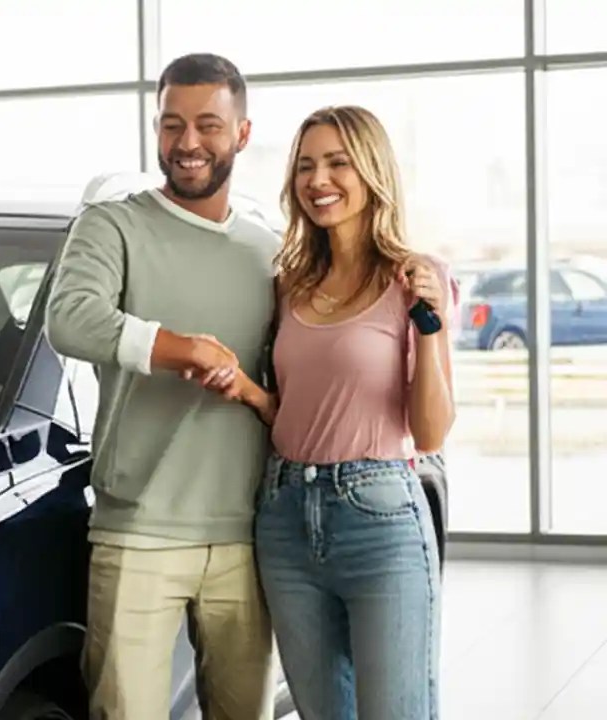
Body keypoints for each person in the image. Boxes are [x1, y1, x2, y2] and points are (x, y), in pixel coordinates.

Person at [46, 53, 279, 720]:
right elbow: (72, 320)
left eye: (208, 124)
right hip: (137, 530)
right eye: (171, 124)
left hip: (246, 536)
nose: (187, 143)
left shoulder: (269, 252)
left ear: (242, 133)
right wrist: (184, 350)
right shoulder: (112, 225)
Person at [207, 105, 455, 719]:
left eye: (338, 163)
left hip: (381, 518)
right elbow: (302, 409)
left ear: (371, 171)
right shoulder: (291, 283)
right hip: (285, 516)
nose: (319, 180)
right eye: (306, 167)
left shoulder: (414, 279)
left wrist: (428, 328)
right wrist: (252, 393)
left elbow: (429, 430)